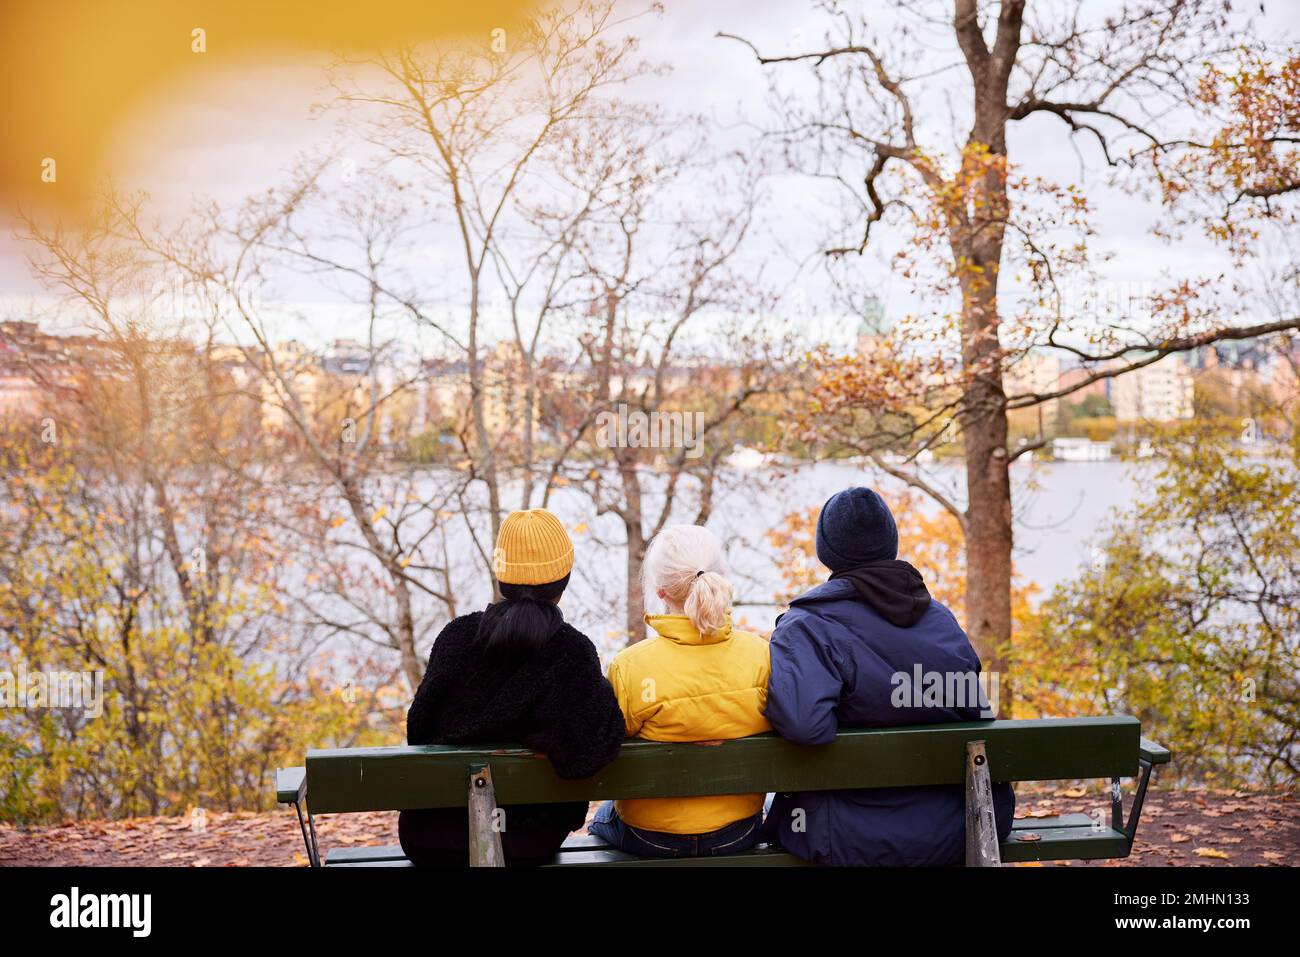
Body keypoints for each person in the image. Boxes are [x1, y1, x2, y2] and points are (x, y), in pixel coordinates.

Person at [764, 487, 1016, 866]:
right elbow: (977, 713)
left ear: (826, 551)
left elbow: (805, 727)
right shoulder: (940, 619)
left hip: (849, 835)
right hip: (954, 827)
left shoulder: (807, 627)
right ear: (890, 543)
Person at [398, 508, 625, 866]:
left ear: (502, 576)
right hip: (526, 841)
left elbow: (419, 730)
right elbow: (589, 752)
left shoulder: (455, 638)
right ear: (563, 578)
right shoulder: (573, 652)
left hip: (432, 838)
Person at [588, 524, 771, 858]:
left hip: (651, 838)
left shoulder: (630, 666)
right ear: (721, 578)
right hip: (736, 832)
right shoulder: (760, 655)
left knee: (601, 819)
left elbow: (609, 740)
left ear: (660, 591)